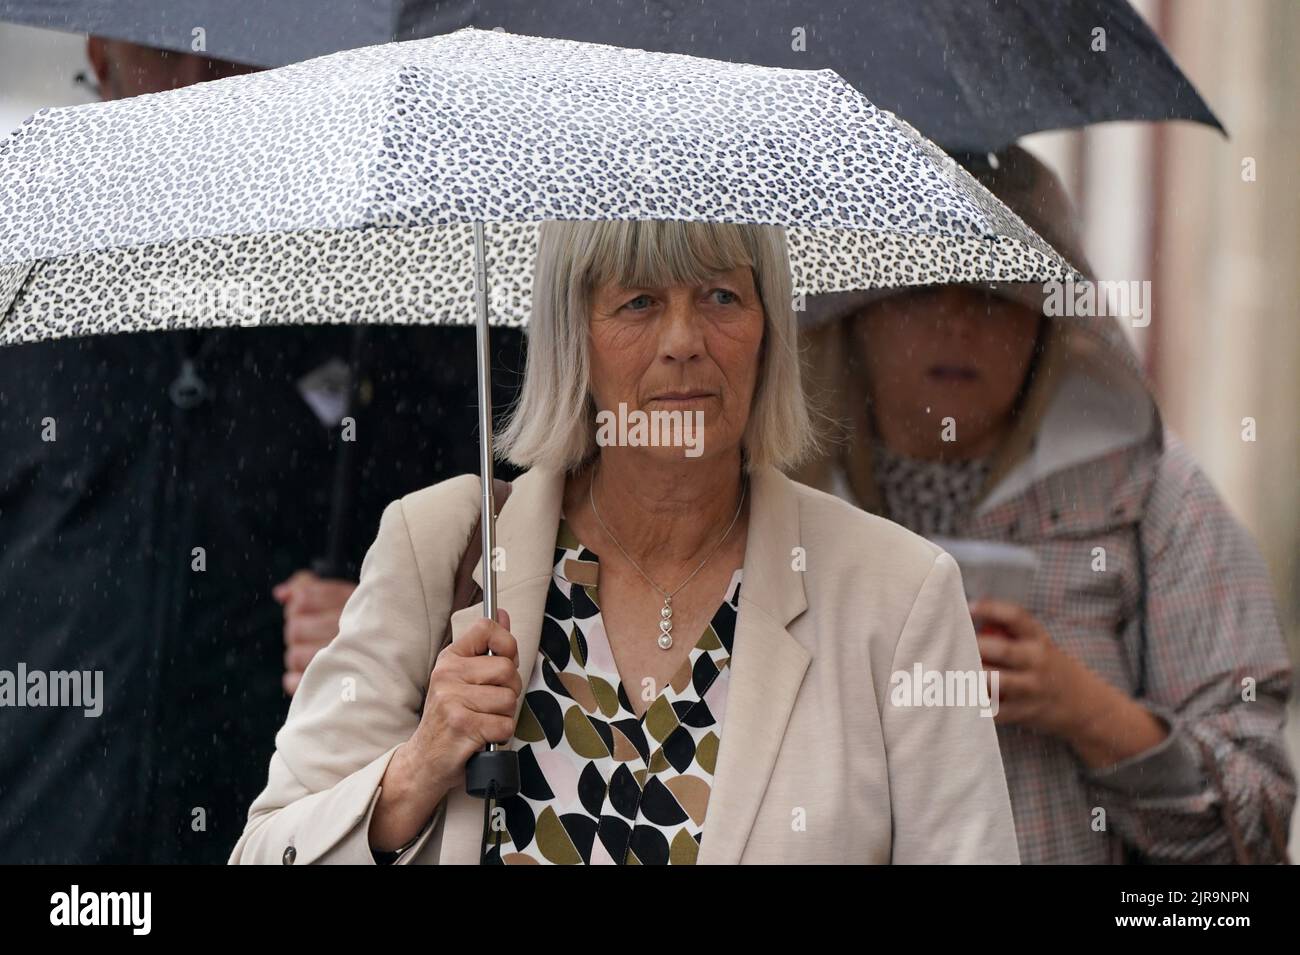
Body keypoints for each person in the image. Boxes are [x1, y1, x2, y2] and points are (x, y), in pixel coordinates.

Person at [229, 219, 1018, 864]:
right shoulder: (444, 548)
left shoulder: (897, 592)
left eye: (720, 295)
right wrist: (417, 768)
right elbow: (264, 850)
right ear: (575, 340)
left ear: (769, 333)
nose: (683, 340)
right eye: (638, 302)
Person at [0, 38, 524, 863]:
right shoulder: (23, 274)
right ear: (101, 59)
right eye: (165, 48)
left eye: (238, 48)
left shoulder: (394, 293)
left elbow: (503, 539)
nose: (205, 76)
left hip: (288, 825)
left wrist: (386, 621)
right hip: (49, 838)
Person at [795, 145, 1295, 864]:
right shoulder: (773, 501)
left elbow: (1258, 823)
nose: (958, 323)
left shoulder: (1150, 493)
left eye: (998, 294)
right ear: (857, 311)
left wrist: (1081, 708)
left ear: (1046, 327)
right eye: (926, 285)